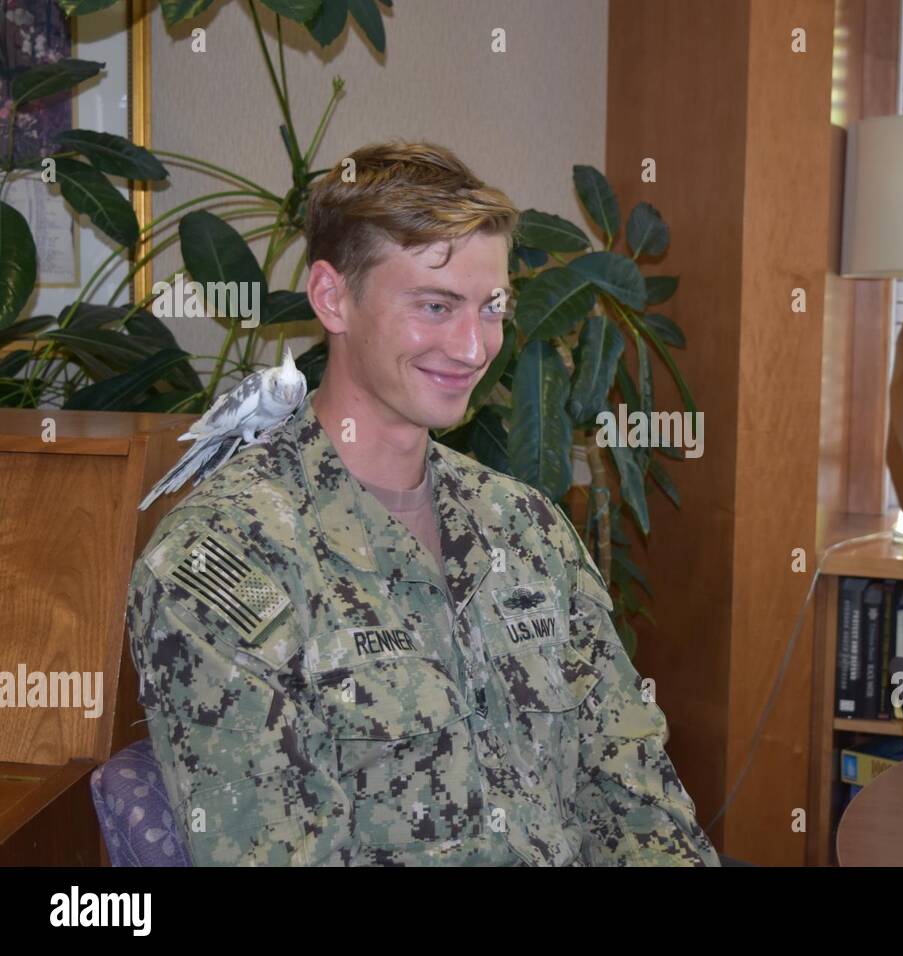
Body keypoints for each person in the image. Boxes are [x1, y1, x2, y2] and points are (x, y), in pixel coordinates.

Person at [126, 141, 720, 866]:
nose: (474, 348)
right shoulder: (225, 558)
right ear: (332, 297)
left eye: (491, 308)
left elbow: (636, 796)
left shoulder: (525, 526)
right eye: (436, 306)